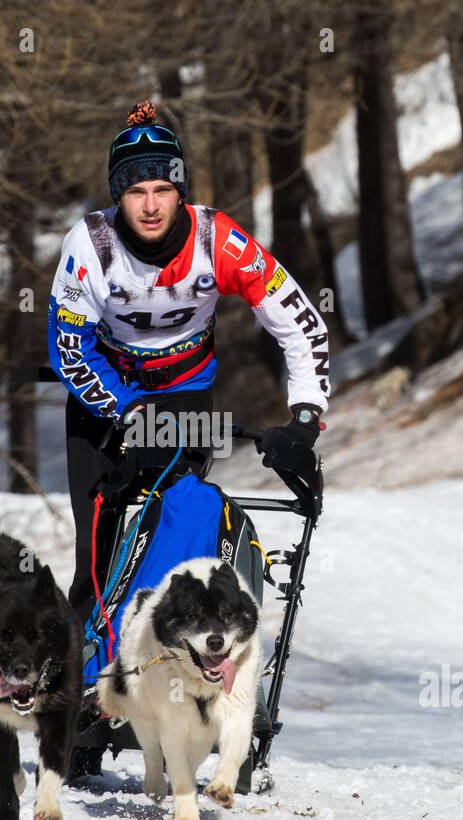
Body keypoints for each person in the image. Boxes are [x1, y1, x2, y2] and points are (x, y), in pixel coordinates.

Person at [47, 100, 330, 627]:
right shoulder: (90, 243)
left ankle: (161, 659)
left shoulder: (217, 238)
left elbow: (298, 319)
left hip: (183, 392)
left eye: (162, 190)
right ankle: (83, 664)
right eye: (136, 191)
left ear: (181, 192)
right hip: (102, 392)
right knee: (96, 553)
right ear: (118, 196)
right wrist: (124, 411)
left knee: (174, 529)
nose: (150, 205)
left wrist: (306, 416)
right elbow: (68, 346)